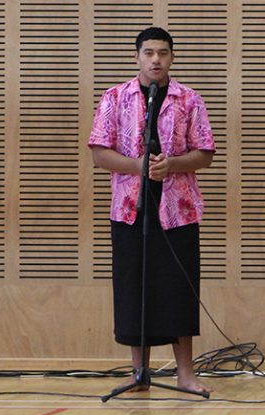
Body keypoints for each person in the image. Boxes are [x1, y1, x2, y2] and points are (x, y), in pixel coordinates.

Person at [88, 27, 215, 395]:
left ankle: (185, 374)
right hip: (130, 208)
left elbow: (205, 153)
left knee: (178, 289)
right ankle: (139, 373)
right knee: (133, 287)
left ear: (172, 57)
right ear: (137, 57)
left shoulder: (189, 99)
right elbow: (99, 152)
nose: (155, 59)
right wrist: (139, 166)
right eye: (148, 53)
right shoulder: (114, 97)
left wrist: (171, 165)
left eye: (162, 53)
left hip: (178, 209)